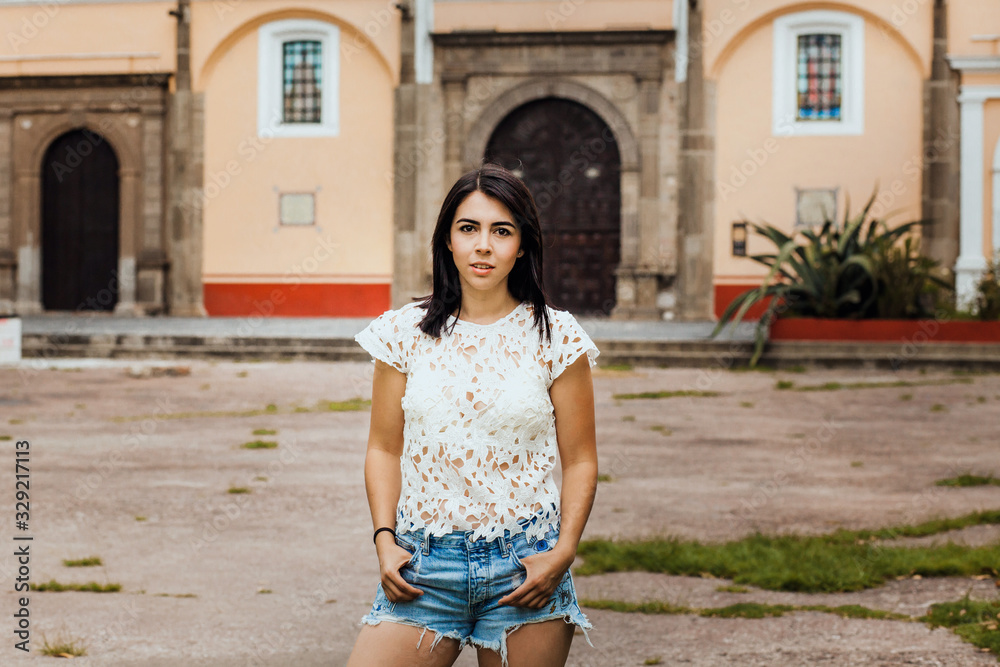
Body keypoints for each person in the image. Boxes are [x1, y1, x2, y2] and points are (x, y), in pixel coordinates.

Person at [346, 162, 599, 667]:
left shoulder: (557, 337)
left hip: (527, 566)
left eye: (501, 231)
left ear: (522, 245)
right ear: (448, 241)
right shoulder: (402, 333)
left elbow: (581, 460)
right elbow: (383, 447)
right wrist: (384, 539)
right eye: (469, 228)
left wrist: (563, 551)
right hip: (422, 566)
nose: (484, 245)